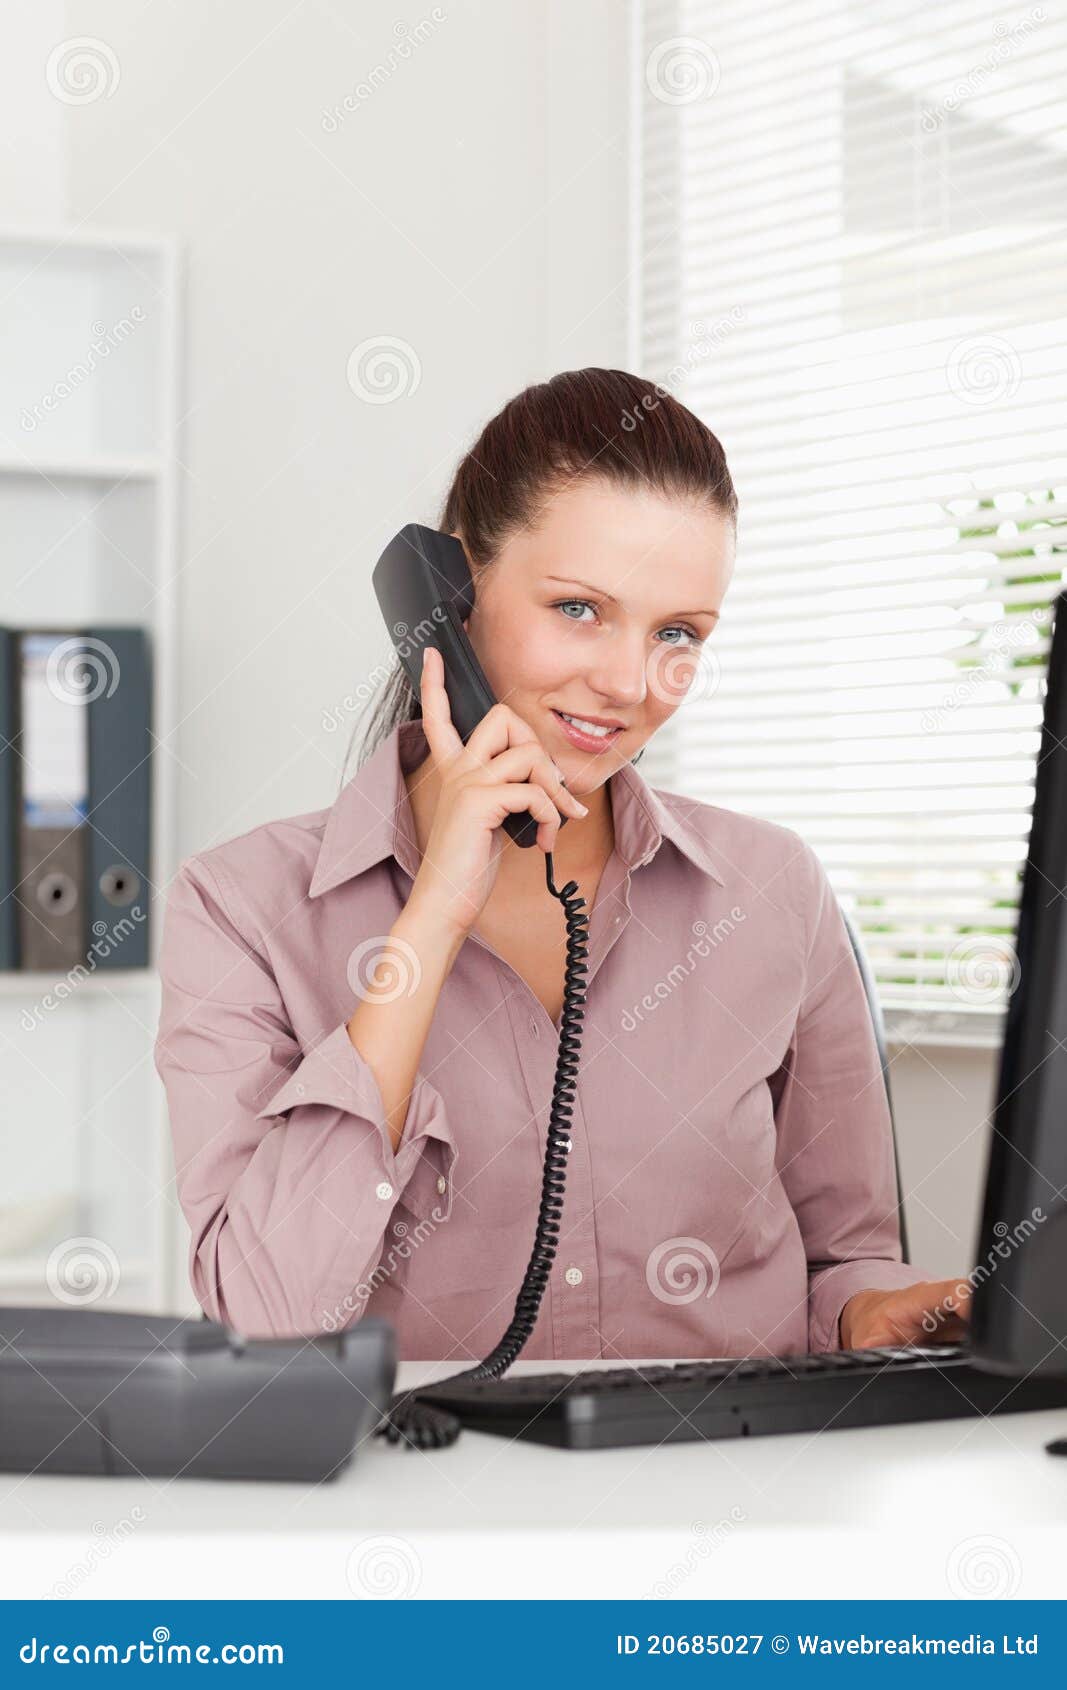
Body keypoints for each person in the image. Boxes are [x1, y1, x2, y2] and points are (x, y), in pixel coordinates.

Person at [154, 367, 971, 1359]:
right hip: (422, 1507)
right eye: (579, 608)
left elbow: (843, 1255)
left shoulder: (771, 891)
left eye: (676, 633)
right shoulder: (242, 909)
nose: (628, 682)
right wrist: (431, 920)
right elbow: (265, 1319)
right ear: (447, 596)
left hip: (736, 1487)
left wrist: (868, 1309)